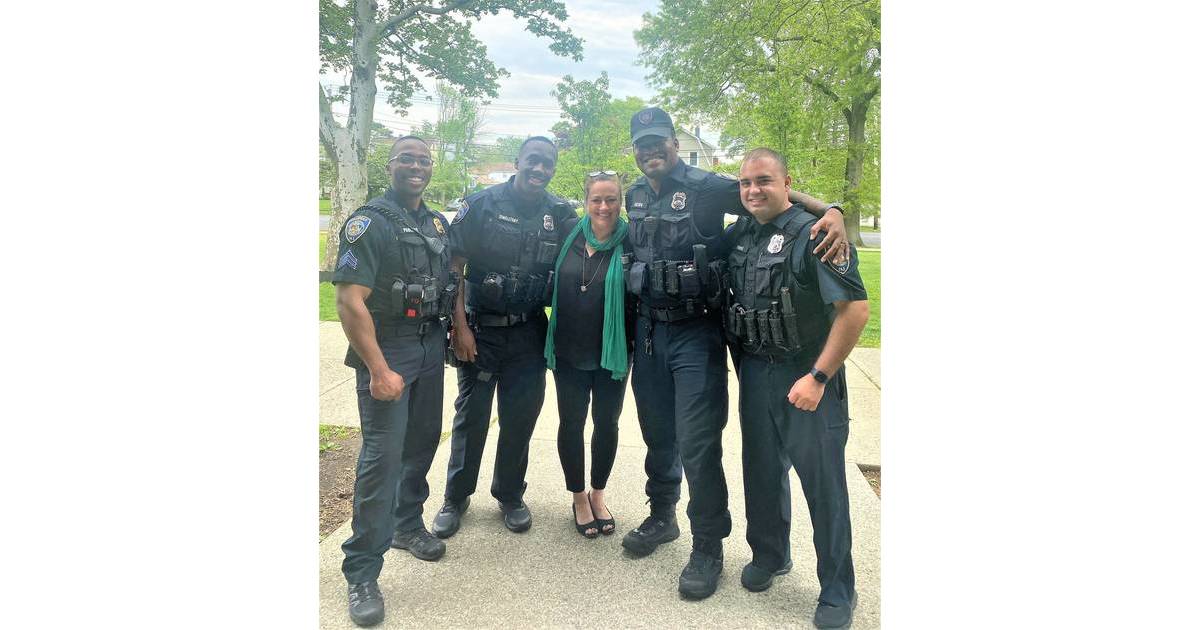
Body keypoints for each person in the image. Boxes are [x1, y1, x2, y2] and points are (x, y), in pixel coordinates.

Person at [620, 107, 849, 600]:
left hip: (695, 333)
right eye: (642, 143)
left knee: (698, 444)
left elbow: (770, 195)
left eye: (659, 141)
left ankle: (707, 546)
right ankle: (662, 517)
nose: (651, 150)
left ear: (674, 145)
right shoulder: (634, 195)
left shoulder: (708, 186)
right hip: (649, 333)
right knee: (657, 433)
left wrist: (831, 210)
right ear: (635, 149)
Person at [725, 148, 868, 629]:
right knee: (761, 473)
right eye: (745, 183)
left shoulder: (818, 235)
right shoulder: (740, 234)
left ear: (788, 183)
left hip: (808, 374)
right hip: (756, 373)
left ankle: (836, 591)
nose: (752, 190)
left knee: (823, 487)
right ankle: (770, 556)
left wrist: (819, 377)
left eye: (764, 180)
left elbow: (855, 311)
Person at [332, 136, 455, 627]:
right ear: (391, 165)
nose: (417, 167)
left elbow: (454, 278)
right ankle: (362, 570)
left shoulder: (436, 222)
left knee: (422, 443)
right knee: (381, 459)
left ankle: (407, 525)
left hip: (429, 345)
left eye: (424, 160)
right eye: (407, 158)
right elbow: (348, 300)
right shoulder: (369, 222)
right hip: (389, 349)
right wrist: (379, 369)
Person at [432, 136, 577, 538]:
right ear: (518, 161)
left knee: (520, 419)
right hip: (480, 330)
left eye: (547, 163)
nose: (539, 169)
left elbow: (586, 255)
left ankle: (510, 494)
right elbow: (454, 269)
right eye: (533, 160)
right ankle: (455, 496)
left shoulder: (560, 211)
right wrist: (458, 327)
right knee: (472, 417)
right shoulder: (481, 205)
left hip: (530, 331)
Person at [543, 171, 631, 539]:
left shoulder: (633, 240)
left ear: (620, 202)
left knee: (607, 424)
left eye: (611, 199)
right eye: (596, 199)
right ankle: (578, 496)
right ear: (585, 201)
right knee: (572, 423)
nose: (604, 206)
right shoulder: (568, 235)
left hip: (612, 353)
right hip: (568, 350)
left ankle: (598, 493)